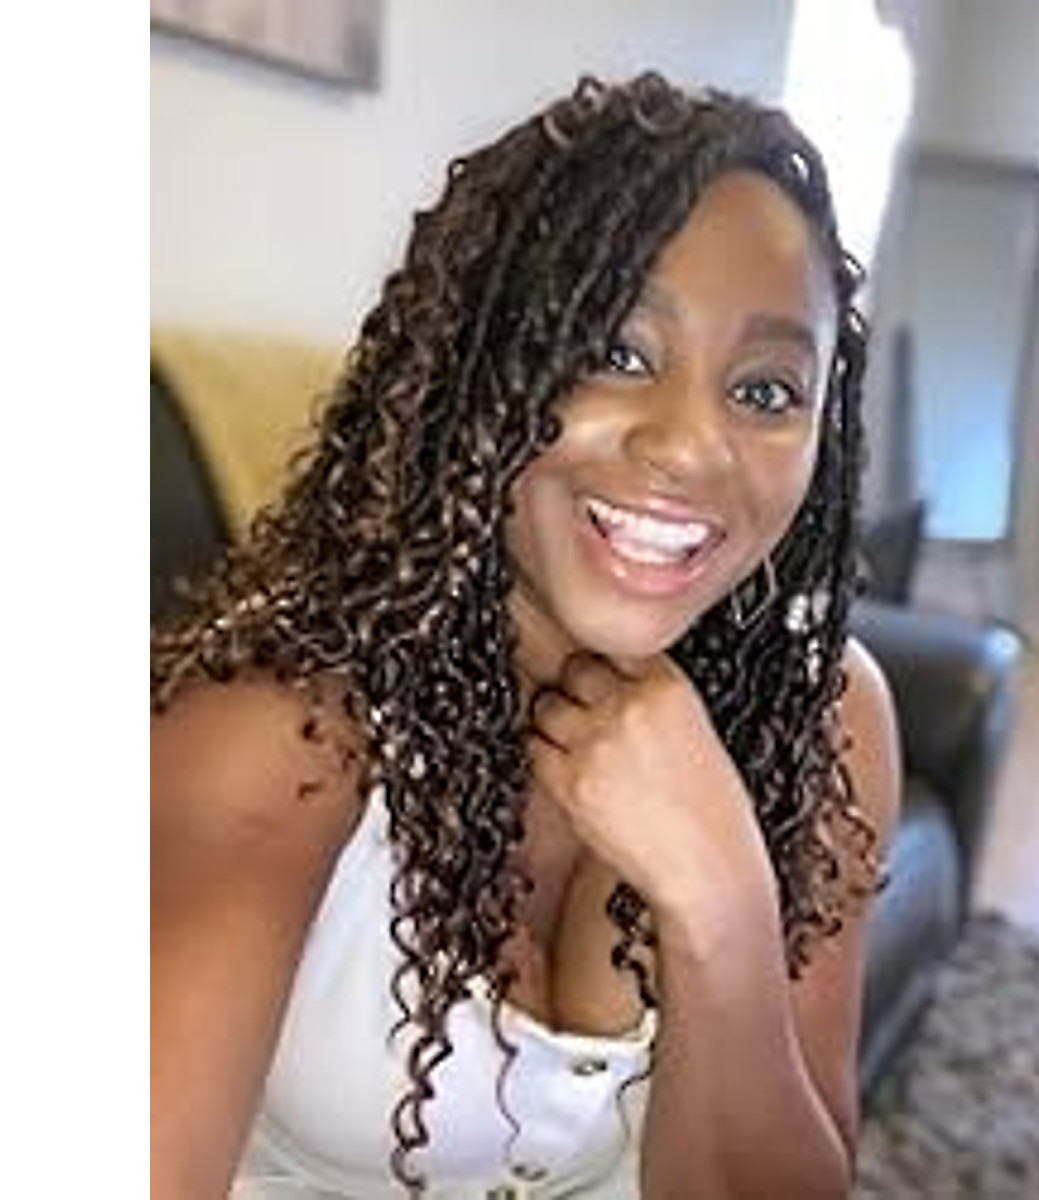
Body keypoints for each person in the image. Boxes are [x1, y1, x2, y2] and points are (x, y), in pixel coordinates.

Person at [151, 71, 901, 1200]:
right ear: (480, 367)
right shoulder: (277, 728)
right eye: (618, 352)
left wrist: (724, 905)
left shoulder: (821, 714)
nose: (692, 446)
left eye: (764, 392)